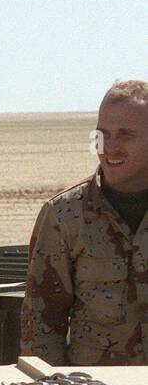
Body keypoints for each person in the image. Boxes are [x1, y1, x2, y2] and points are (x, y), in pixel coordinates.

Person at [22, 80, 148, 365]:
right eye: (102, 135)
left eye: (126, 135)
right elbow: (42, 328)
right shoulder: (63, 217)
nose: (110, 148)